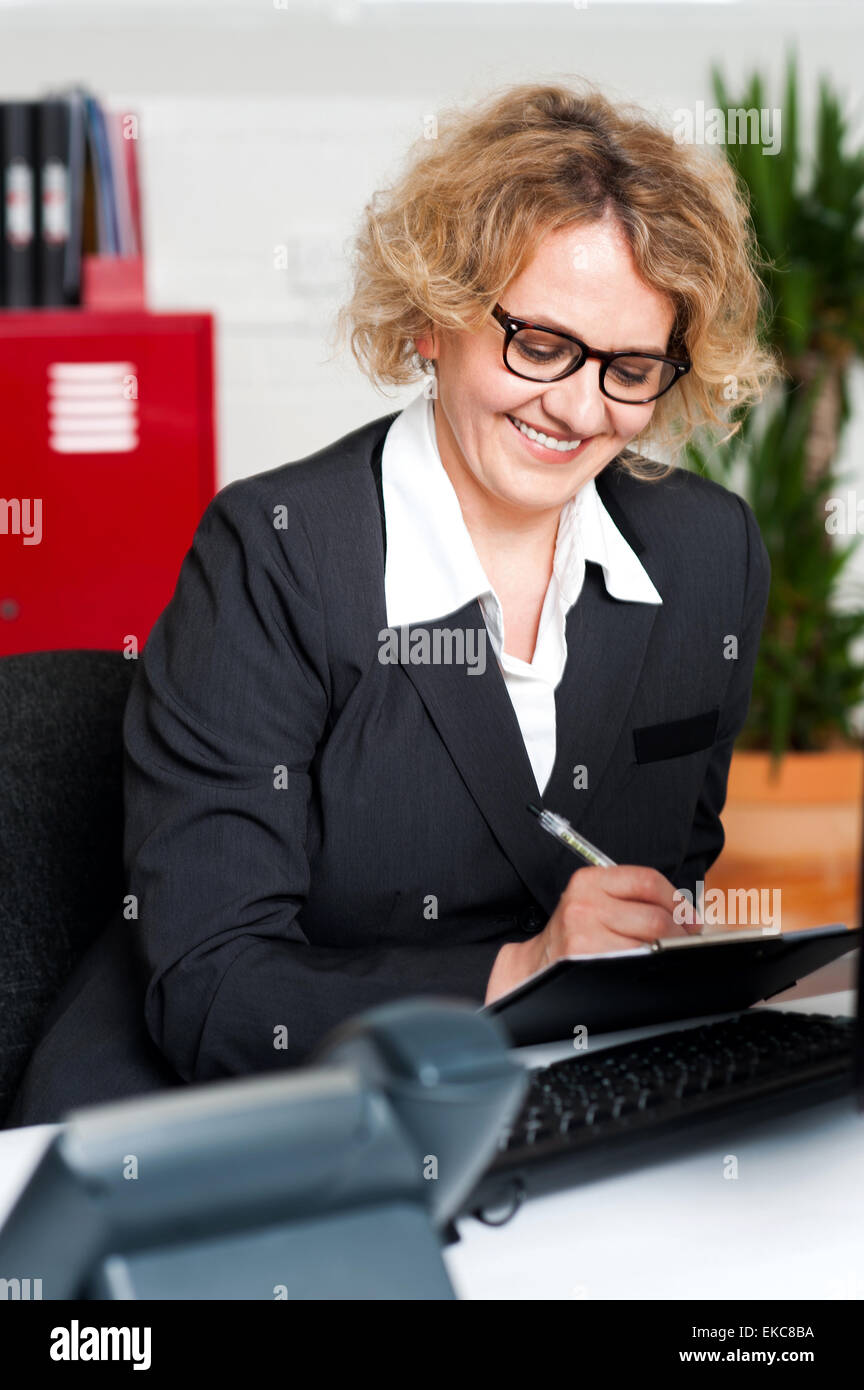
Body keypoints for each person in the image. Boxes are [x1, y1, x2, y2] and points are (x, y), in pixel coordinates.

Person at [7, 80, 779, 1124]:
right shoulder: (276, 555)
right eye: (541, 345)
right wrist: (521, 971)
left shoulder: (705, 554)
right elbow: (213, 985)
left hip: (535, 1106)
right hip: (218, 1124)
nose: (580, 406)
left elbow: (668, 874)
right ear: (434, 317)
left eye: (631, 368)